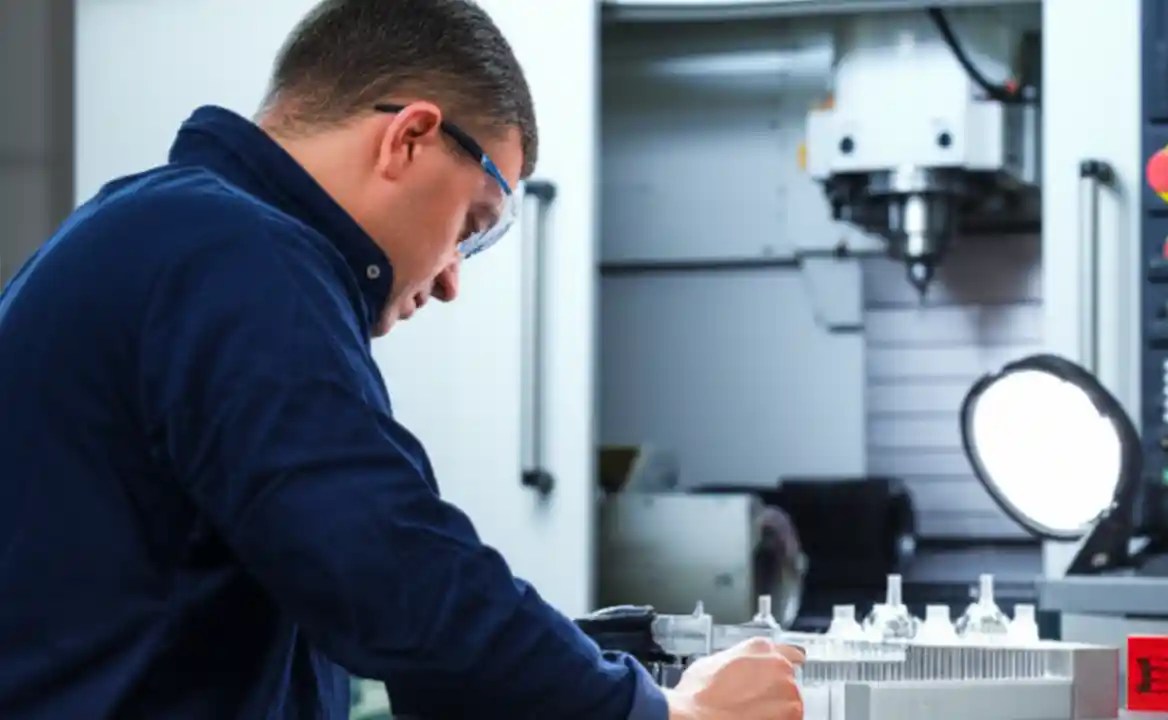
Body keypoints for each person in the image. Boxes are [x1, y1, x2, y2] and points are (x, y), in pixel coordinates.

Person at [0, 1, 806, 719]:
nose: (452, 279)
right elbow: (392, 574)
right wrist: (660, 712)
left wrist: (577, 661)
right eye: (472, 227)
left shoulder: (159, 230)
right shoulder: (234, 253)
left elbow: (348, 580)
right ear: (409, 138)